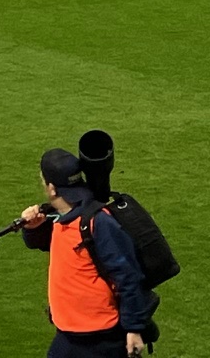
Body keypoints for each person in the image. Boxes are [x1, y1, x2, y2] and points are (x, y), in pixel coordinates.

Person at [19, 148, 153, 358]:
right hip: (68, 336)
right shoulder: (61, 217)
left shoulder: (98, 222)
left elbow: (128, 274)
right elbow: (46, 243)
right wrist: (32, 228)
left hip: (101, 340)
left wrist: (134, 329)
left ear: (52, 188)